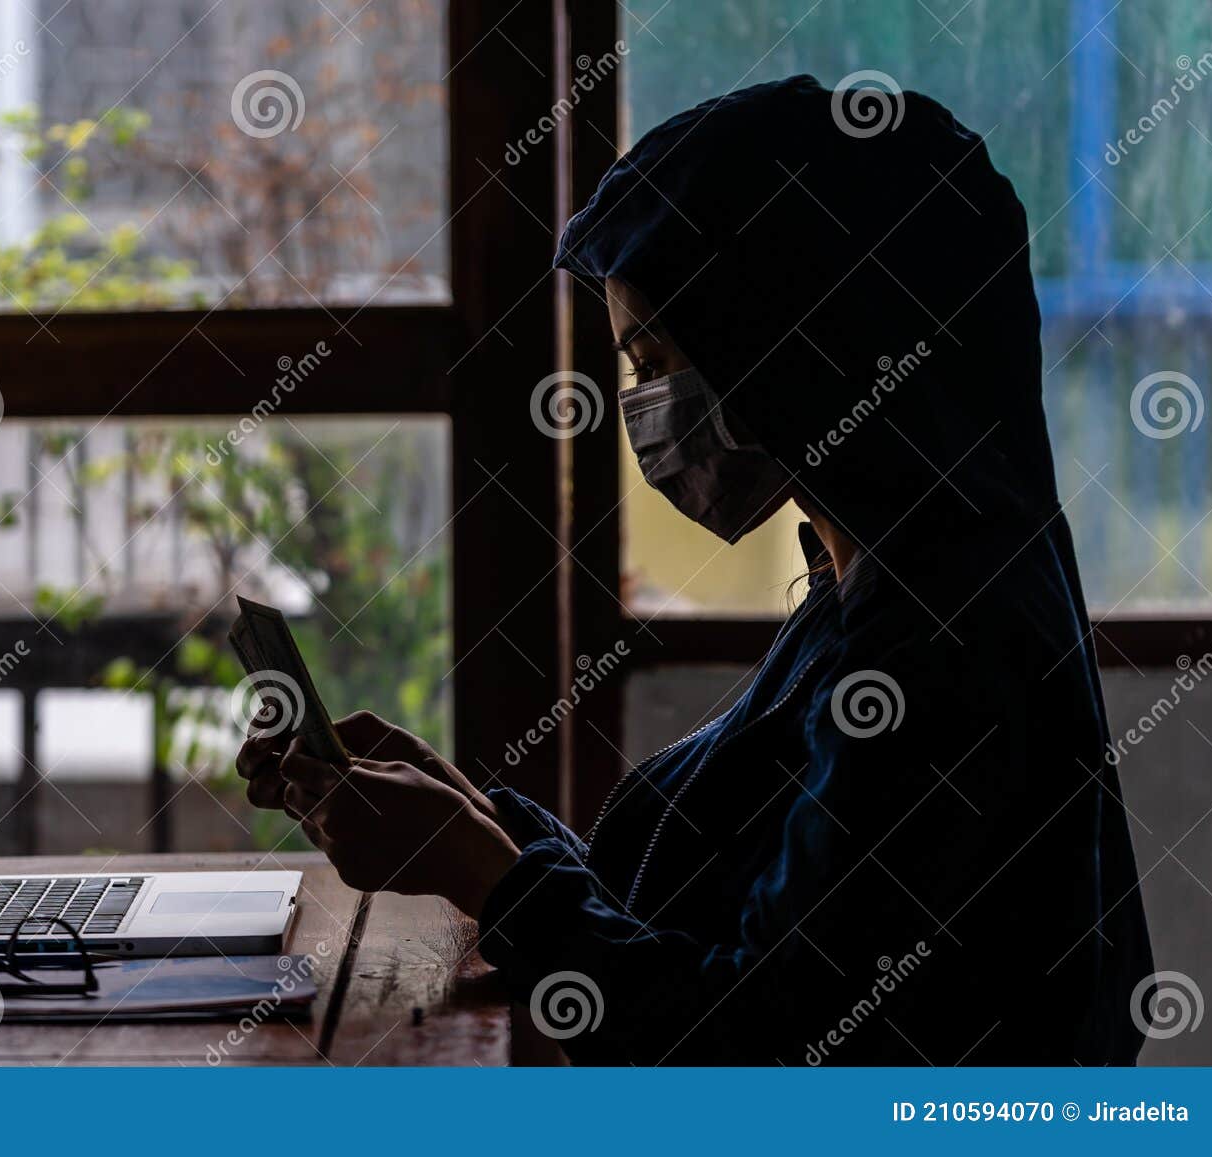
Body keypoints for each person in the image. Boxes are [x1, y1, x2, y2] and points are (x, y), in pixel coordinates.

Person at [236, 75, 1153, 1064]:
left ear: (791, 347)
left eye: (652, 357)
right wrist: (470, 819)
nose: (639, 403)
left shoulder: (941, 653)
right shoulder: (874, 584)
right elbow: (718, 920)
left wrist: (489, 875)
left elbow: (742, 1043)